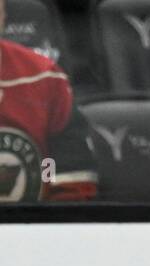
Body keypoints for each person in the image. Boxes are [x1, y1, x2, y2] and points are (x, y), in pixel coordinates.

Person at [0, 0, 97, 201]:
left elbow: (61, 170)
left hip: (35, 225)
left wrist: (48, 215)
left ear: (3, 12)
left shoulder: (45, 77)